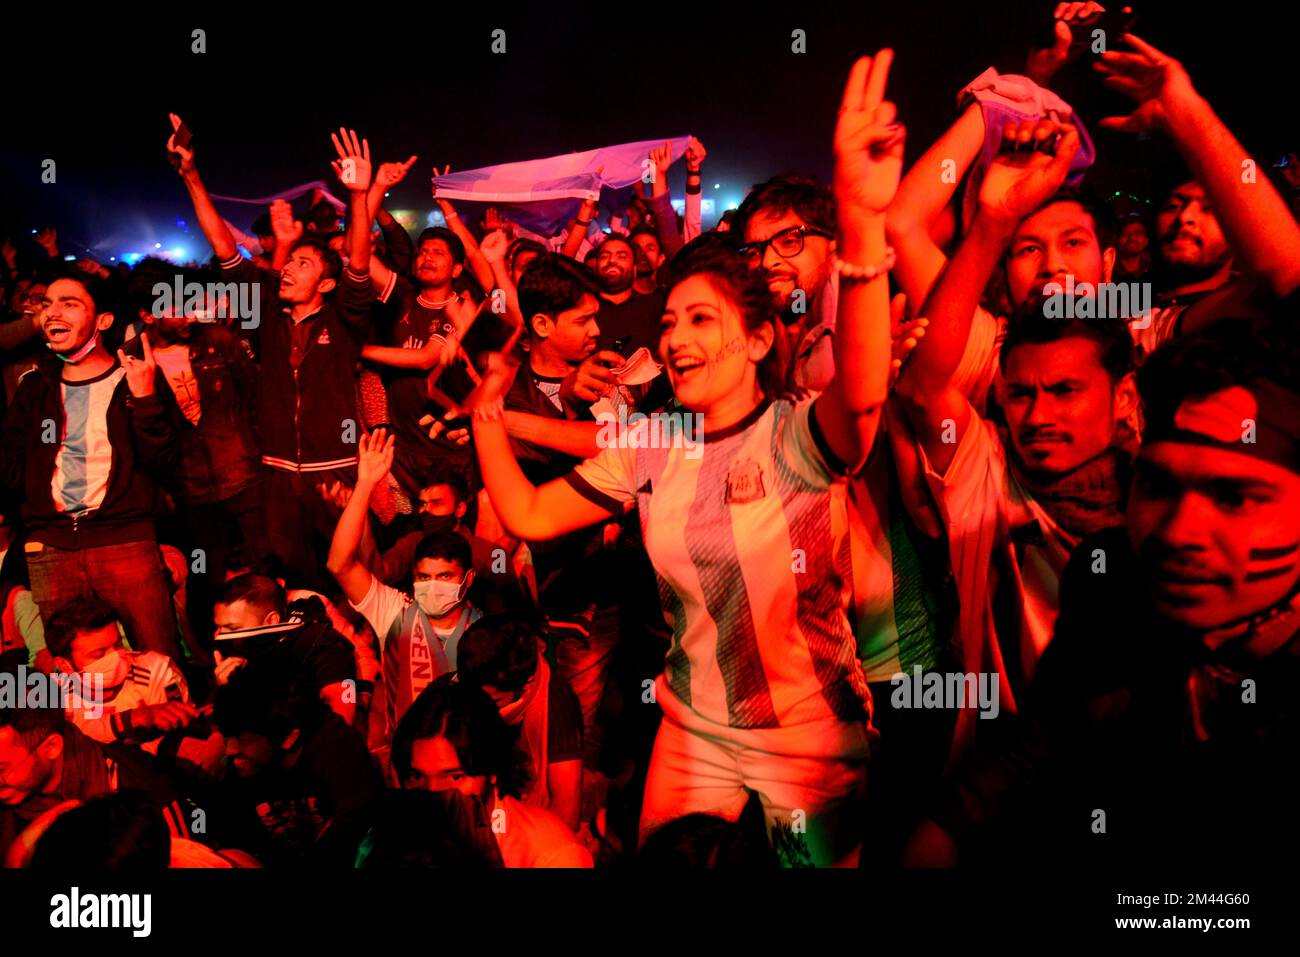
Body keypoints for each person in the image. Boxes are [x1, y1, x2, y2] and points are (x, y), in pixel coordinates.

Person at [465, 50, 903, 866]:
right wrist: (489, 413)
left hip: (808, 735)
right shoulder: (653, 445)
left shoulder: (800, 433)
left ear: (760, 336)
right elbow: (527, 514)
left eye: (700, 319)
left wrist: (864, 221)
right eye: (668, 322)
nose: (674, 338)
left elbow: (867, 390)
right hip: (690, 729)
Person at [907, 319, 1300, 867]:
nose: (1179, 531)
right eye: (1158, 486)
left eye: (1234, 497)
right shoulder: (1113, 579)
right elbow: (1043, 740)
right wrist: (940, 834)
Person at [169, 118, 377, 589]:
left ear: (325, 283)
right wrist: (191, 175)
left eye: (303, 264)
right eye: (291, 261)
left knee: (351, 577)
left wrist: (360, 197)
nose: (289, 270)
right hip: (277, 474)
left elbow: (360, 262)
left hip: (335, 472)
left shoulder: (345, 317)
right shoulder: (265, 311)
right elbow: (223, 245)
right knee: (293, 581)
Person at [0, 271, 185, 662]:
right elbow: (11, 464)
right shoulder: (35, 387)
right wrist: (34, 518)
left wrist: (147, 401)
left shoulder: (133, 379)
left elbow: (167, 464)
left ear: (102, 320)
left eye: (69, 303)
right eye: (47, 303)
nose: (53, 312)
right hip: (51, 549)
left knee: (158, 660)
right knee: (72, 673)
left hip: (125, 541)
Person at [327, 430, 475, 741]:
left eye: (445, 577)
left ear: (468, 579)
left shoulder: (481, 628)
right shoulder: (397, 612)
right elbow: (341, 565)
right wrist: (365, 485)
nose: (433, 586)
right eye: (423, 577)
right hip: (409, 761)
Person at [391, 674, 592, 867]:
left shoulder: (550, 856)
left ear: (492, 770)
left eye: (454, 777)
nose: (433, 792)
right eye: (416, 776)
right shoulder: (395, 836)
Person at [211, 662, 382, 865]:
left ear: (289, 738)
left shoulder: (342, 760)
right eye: (227, 737)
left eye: (243, 739)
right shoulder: (240, 769)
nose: (230, 750)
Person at [456, 615, 584, 830]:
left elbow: (567, 813)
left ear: (526, 686)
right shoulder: (462, 683)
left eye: (493, 701)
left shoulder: (557, 707)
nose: (480, 706)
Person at [212, 574, 358, 726]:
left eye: (233, 628)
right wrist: (229, 694)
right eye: (218, 627)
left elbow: (341, 725)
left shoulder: (325, 647)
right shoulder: (242, 652)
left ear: (271, 620)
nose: (220, 636)